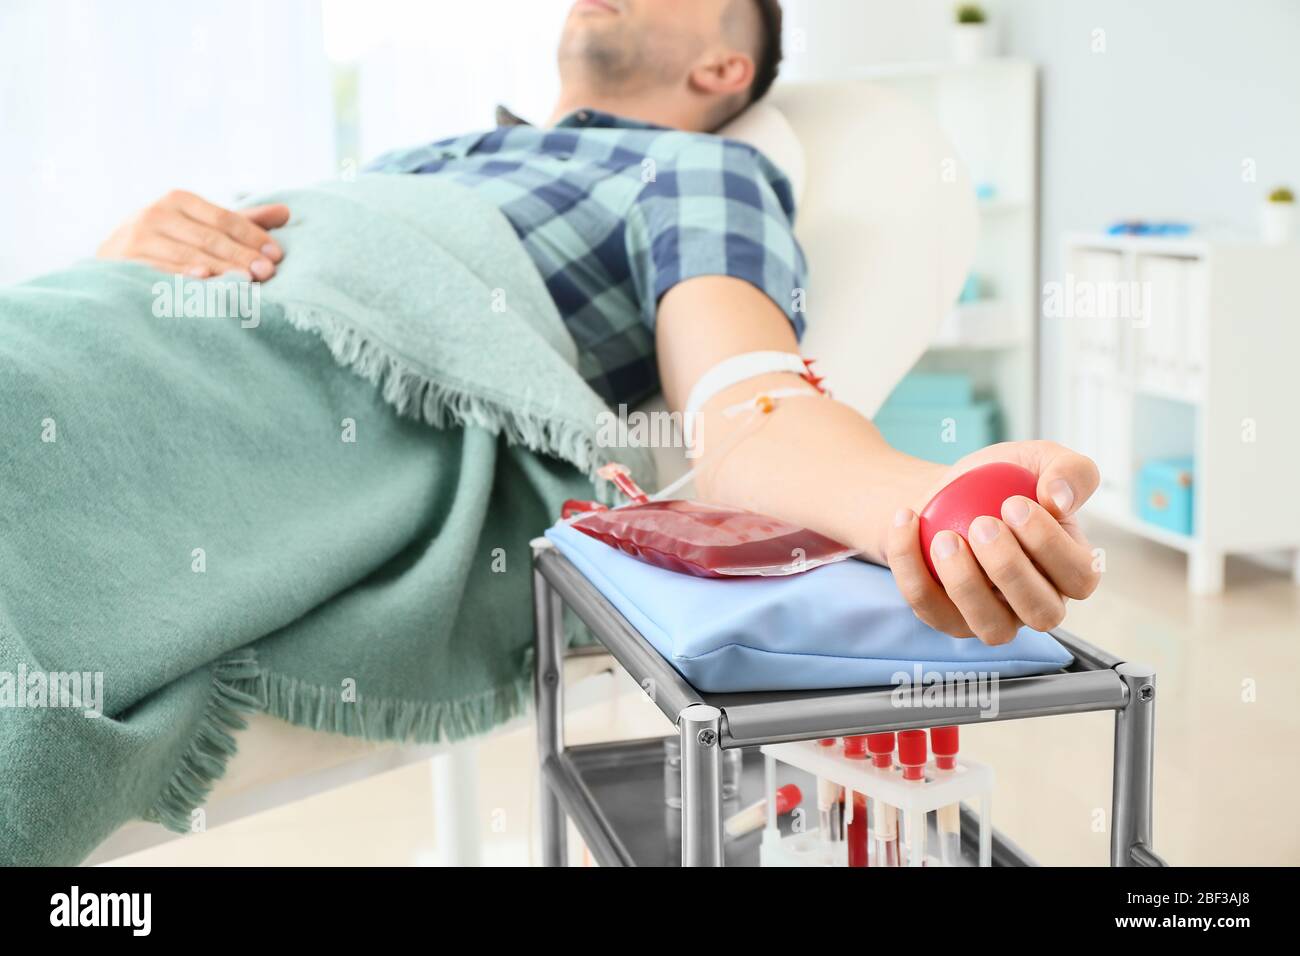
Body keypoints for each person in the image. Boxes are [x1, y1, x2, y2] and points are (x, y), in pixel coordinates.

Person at [95, 0, 1100, 646]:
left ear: (722, 69)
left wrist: (926, 501)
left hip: (243, 393)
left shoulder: (697, 169)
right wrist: (128, 241)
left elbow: (748, 410)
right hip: (118, 321)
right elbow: (217, 250)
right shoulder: (419, 156)